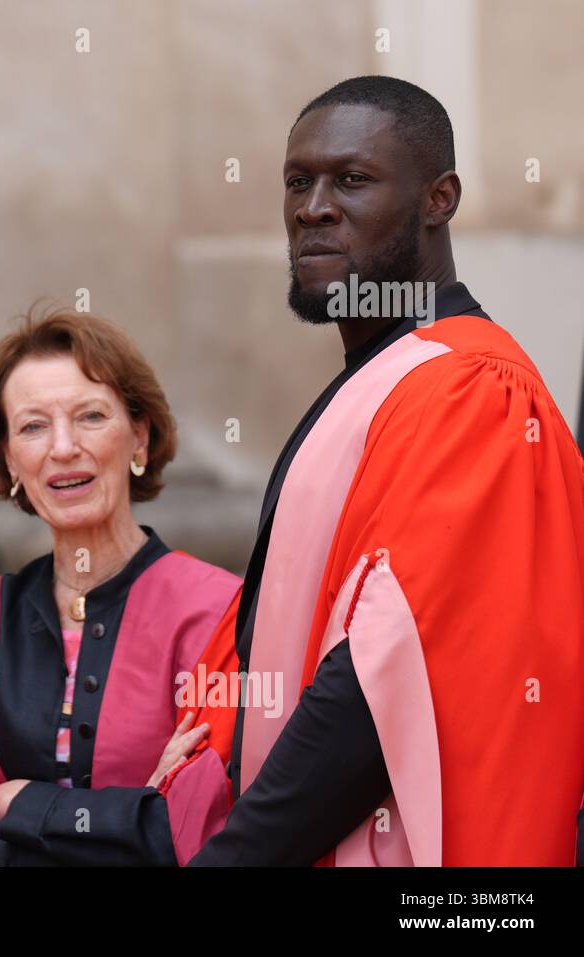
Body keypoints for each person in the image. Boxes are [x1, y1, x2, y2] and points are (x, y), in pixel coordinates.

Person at [188, 76, 584, 866]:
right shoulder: (389, 378)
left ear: (440, 198)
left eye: (353, 179)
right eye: (298, 181)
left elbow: (375, 683)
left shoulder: (475, 389)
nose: (313, 207)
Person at [0, 306, 241, 866]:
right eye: (32, 426)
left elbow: (198, 830)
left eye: (90, 416)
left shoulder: (219, 614)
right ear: (9, 459)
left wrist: (15, 801)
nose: (63, 447)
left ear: (140, 438)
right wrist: (131, 818)